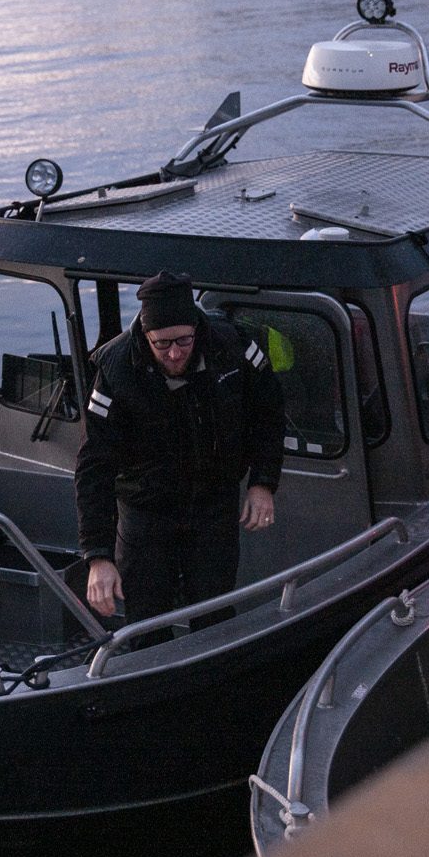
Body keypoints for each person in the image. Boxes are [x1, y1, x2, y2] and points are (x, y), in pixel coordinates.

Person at [74, 271, 285, 633]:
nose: (174, 353)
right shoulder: (116, 369)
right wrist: (98, 556)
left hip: (213, 507)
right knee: (145, 623)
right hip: (146, 514)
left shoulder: (232, 346)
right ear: (145, 334)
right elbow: (94, 467)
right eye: (162, 344)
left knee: (214, 615)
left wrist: (263, 482)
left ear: (196, 329)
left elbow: (269, 412)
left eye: (184, 341)